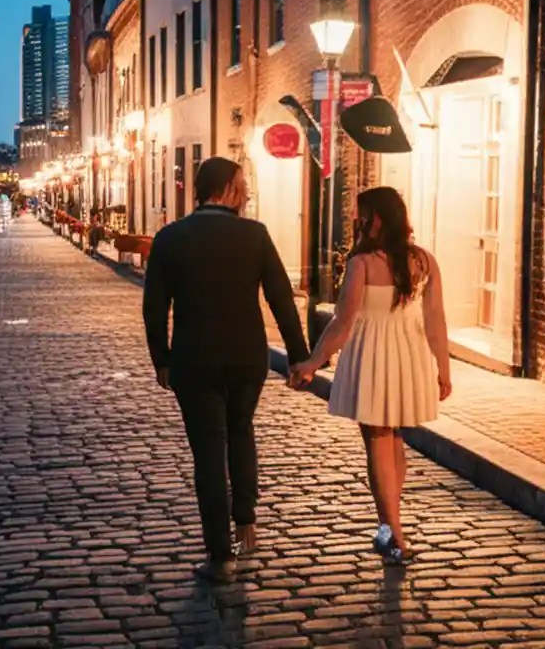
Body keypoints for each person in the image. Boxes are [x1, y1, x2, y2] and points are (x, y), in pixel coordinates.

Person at [143, 156, 309, 583]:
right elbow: (281, 299)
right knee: (241, 431)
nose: (249, 192)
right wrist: (298, 355)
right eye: (244, 184)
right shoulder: (254, 236)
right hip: (246, 358)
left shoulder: (170, 238)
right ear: (227, 190)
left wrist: (161, 357)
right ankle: (246, 521)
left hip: (194, 360)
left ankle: (220, 556)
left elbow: (155, 307)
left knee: (209, 454)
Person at [290, 186, 451, 564]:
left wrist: (313, 363)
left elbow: (343, 323)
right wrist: (443, 368)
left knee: (378, 440)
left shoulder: (362, 263)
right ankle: (392, 529)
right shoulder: (424, 260)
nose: (358, 220)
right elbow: (435, 321)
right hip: (408, 353)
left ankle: (393, 535)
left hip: (373, 352)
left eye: (363, 214)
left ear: (377, 218)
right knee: (392, 438)